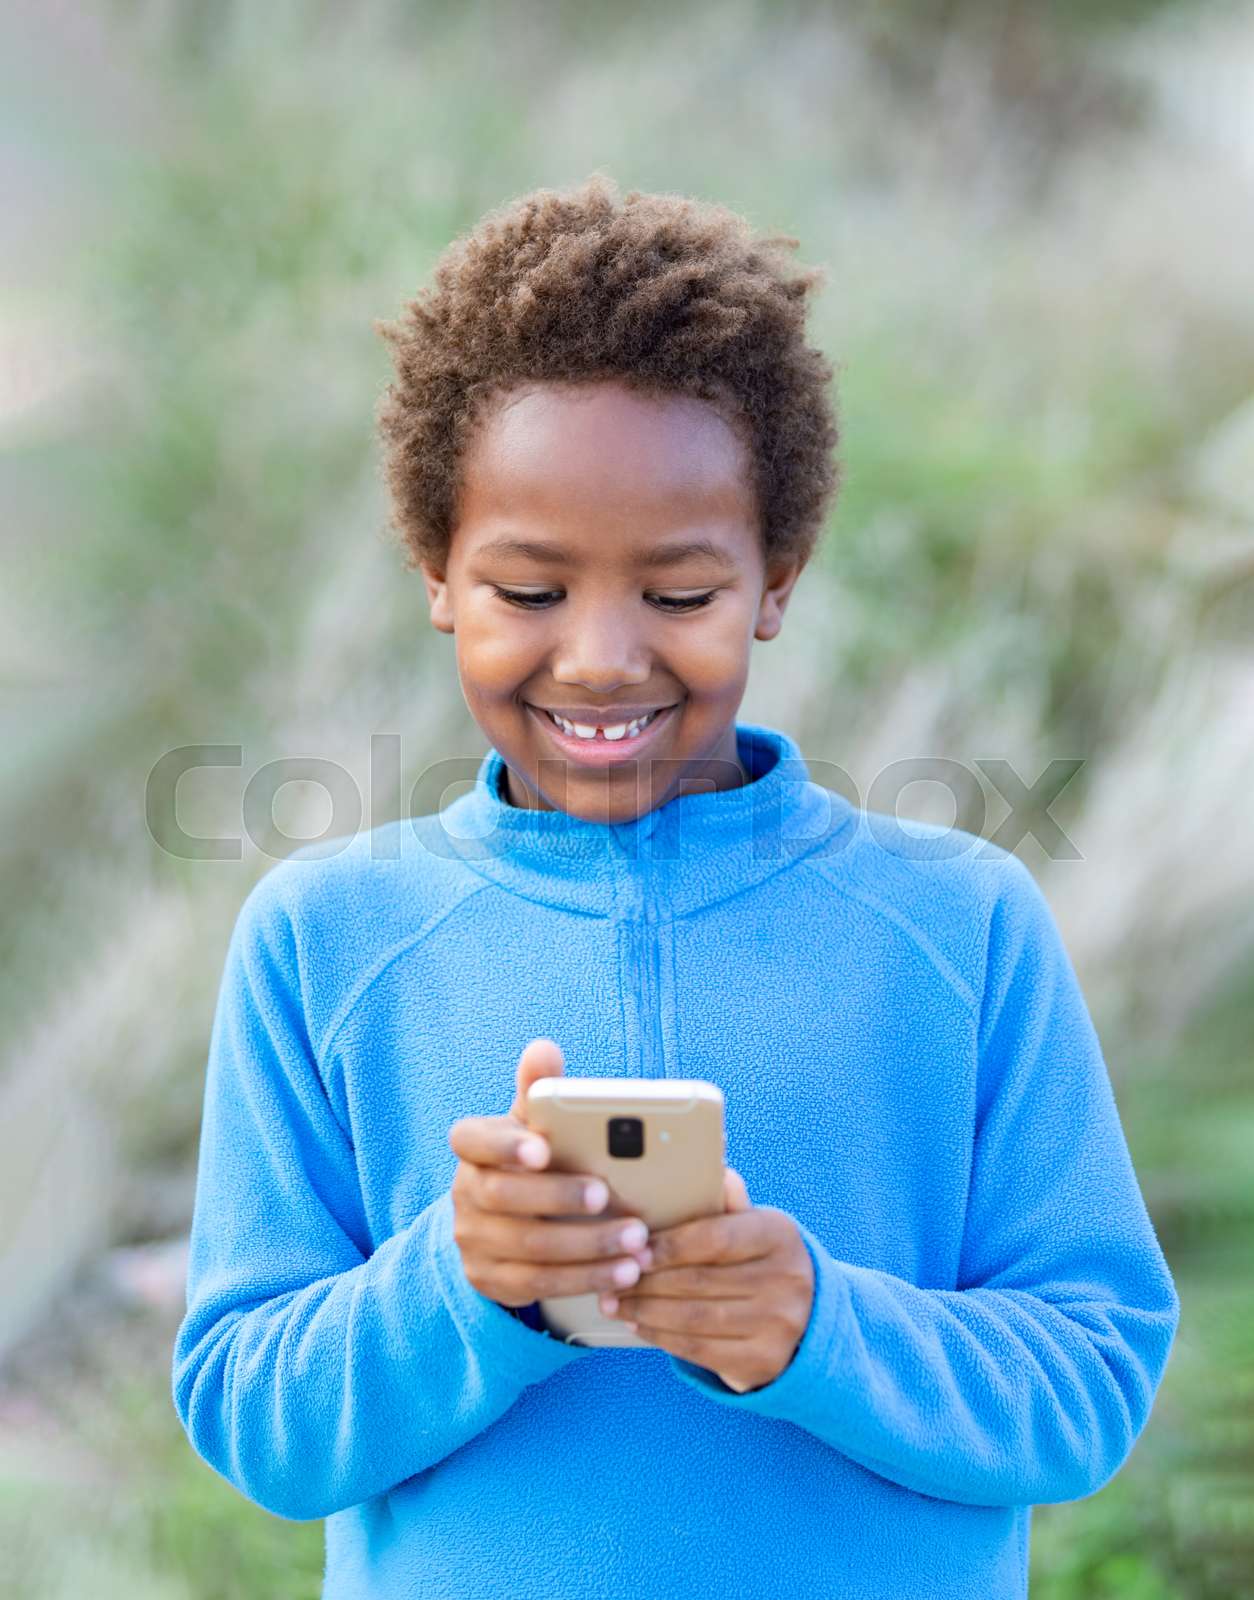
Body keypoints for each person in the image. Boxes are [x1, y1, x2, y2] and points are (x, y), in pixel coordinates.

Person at [171, 173, 1180, 1599]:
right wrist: (458, 1280)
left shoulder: (962, 927)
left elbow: (1083, 1384)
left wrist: (815, 1327)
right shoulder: (324, 938)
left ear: (775, 578)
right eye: (529, 590)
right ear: (435, 575)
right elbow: (254, 1421)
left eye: (679, 593)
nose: (598, 656)